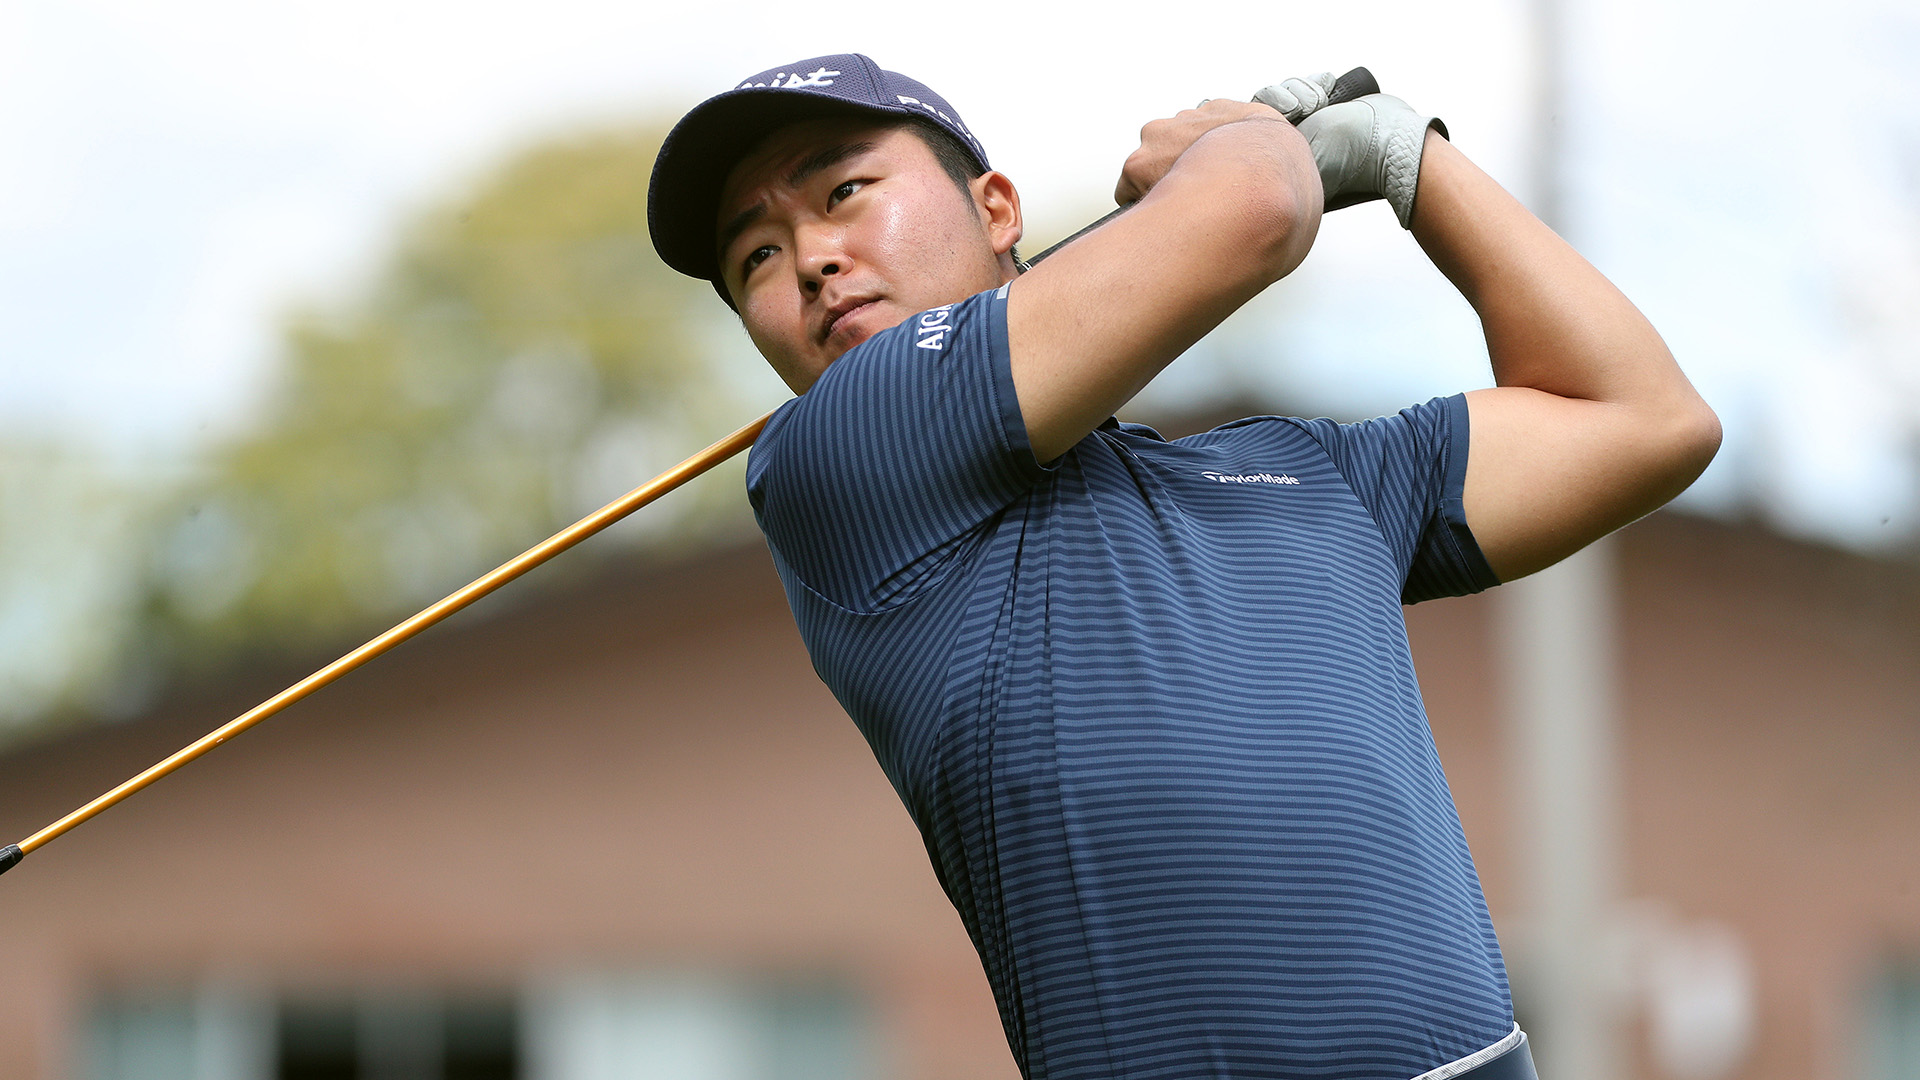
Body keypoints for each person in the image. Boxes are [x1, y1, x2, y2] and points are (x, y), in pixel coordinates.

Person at [646, 54, 1719, 1080]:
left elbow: (1644, 420)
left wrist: (1410, 160)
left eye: (843, 192)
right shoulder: (838, 455)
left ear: (997, 211)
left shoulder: (1303, 472)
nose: (812, 261)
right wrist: (1251, 148)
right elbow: (1253, 212)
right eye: (758, 260)